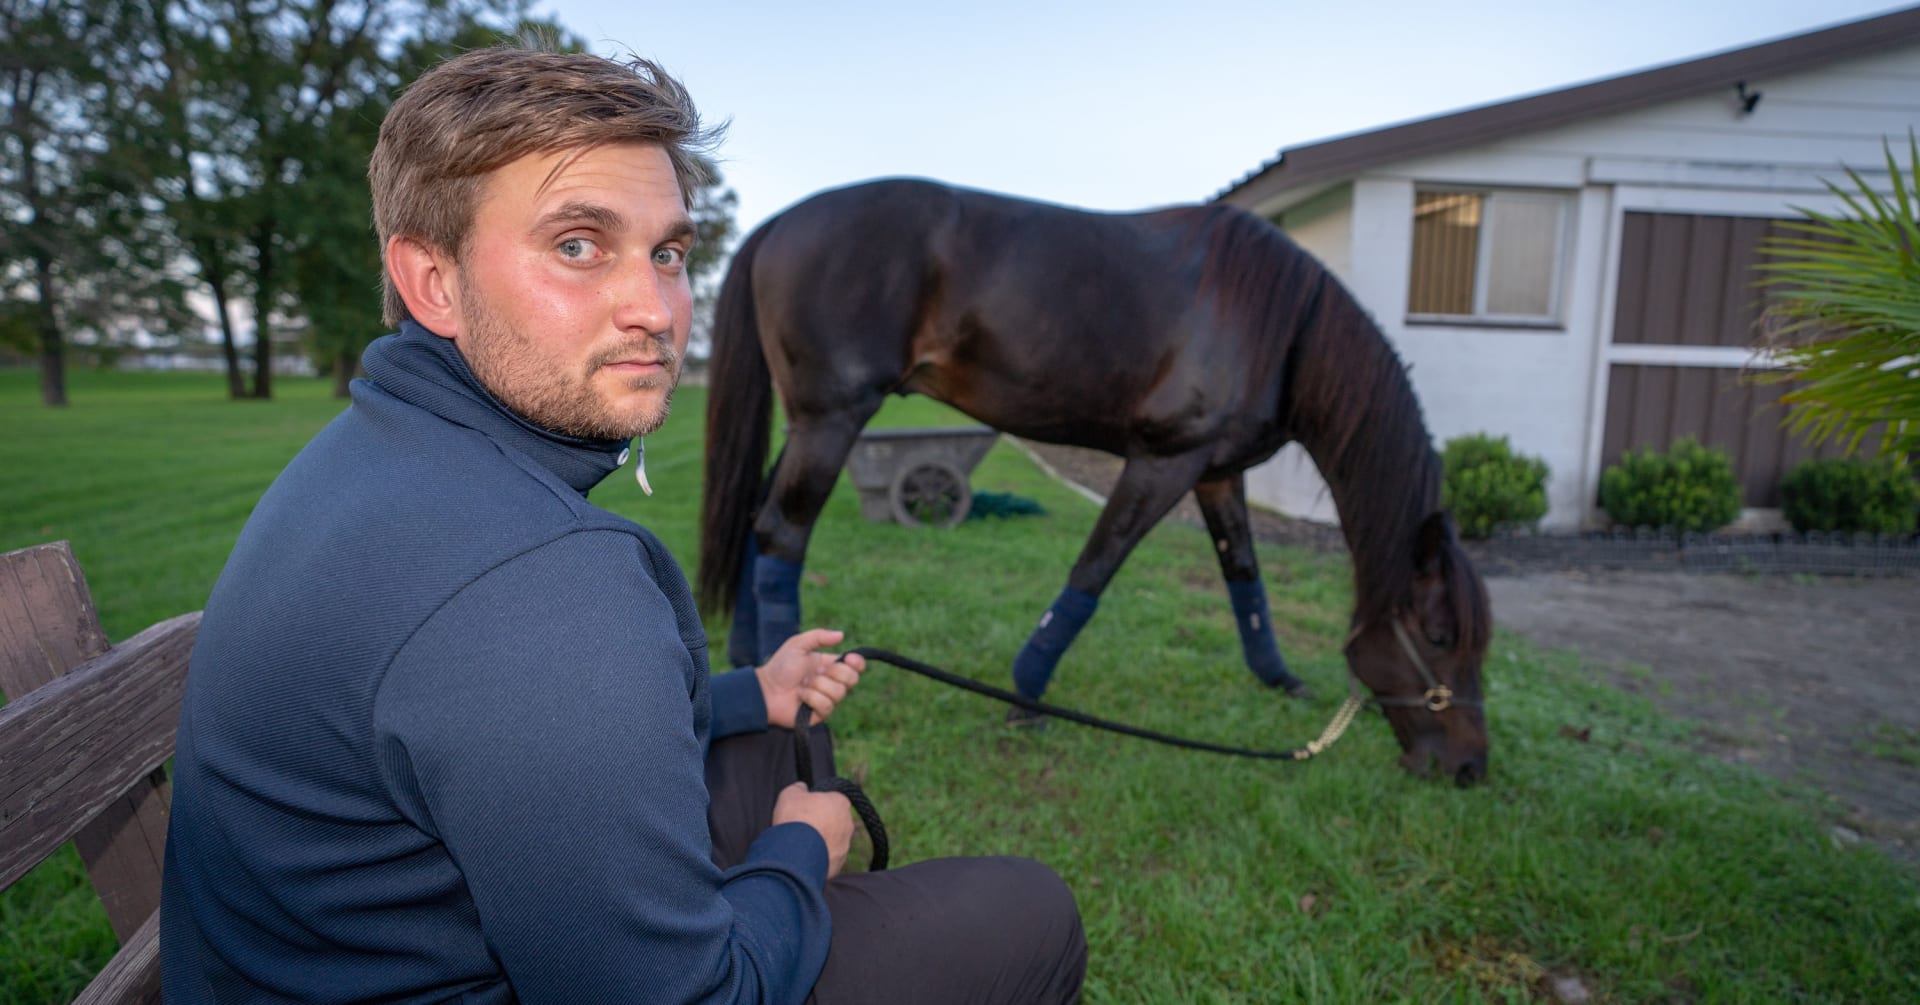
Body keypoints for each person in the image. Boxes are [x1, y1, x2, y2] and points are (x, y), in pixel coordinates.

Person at [158, 45, 1086, 1004]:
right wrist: (799, 851)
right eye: (578, 245)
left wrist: (750, 694)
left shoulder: (380, 454)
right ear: (432, 280)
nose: (656, 308)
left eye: (669, 253)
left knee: (772, 743)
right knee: (1030, 908)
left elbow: (511, 721)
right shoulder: (540, 585)